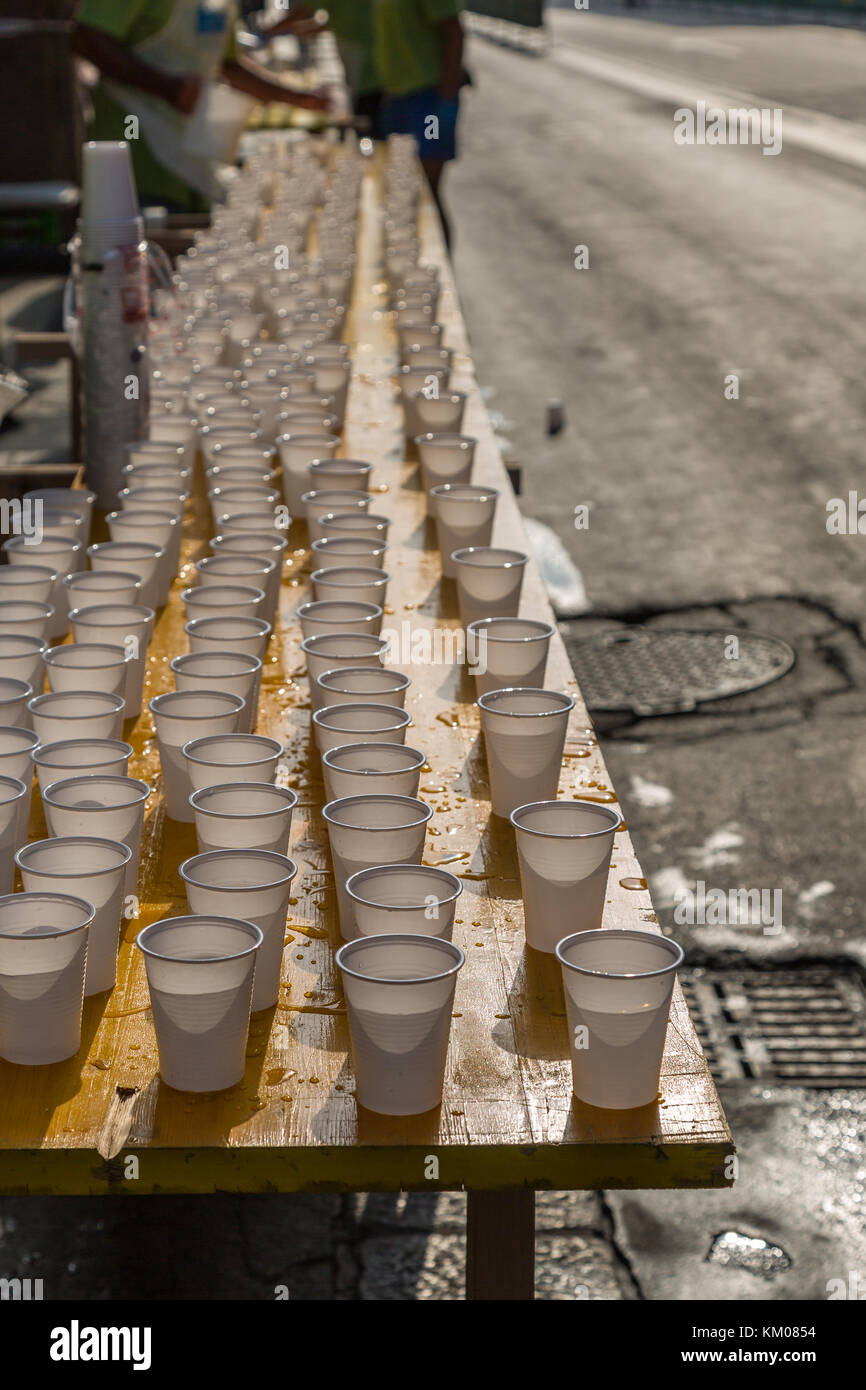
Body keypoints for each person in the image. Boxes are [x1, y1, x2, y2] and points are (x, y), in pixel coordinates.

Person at [72, 0, 328, 214]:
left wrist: (298, 98)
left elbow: (228, 65)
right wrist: (167, 87)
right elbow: (87, 38)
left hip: (194, 152)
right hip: (133, 150)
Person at [374, 0, 465, 249]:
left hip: (428, 99)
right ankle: (410, 258)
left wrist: (446, 100)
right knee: (400, 191)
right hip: (398, 96)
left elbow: (453, 32)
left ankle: (440, 269)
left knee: (426, 191)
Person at [259, 2, 384, 141]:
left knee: (371, 129)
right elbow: (335, 21)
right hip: (374, 63)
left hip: (370, 69)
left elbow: (305, 12)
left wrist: (266, 33)